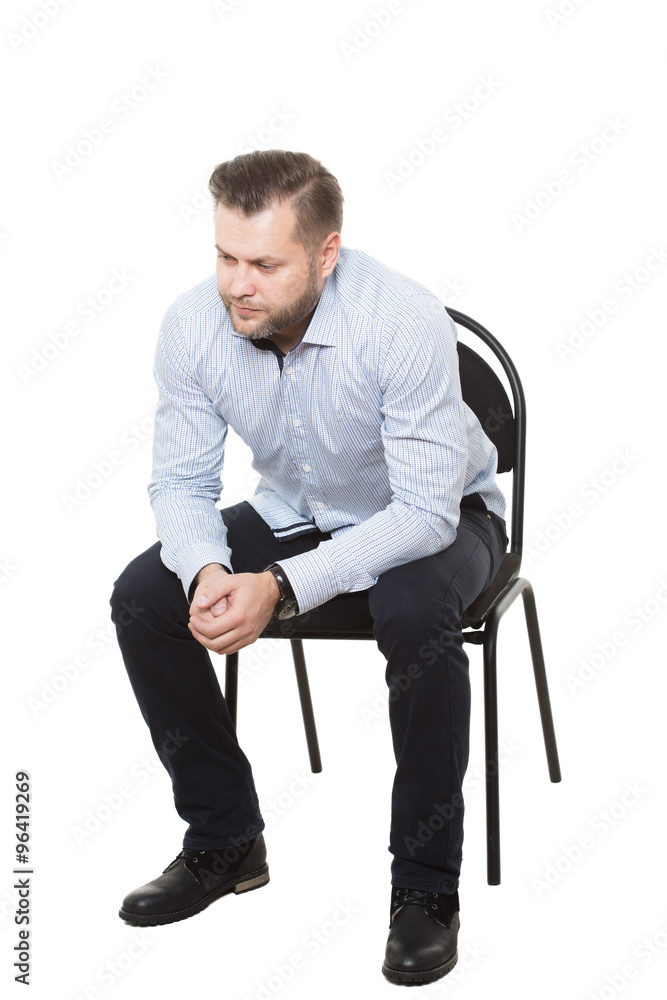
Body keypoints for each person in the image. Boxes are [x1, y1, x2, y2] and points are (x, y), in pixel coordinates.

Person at [109, 149, 508, 986]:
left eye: (263, 264)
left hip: (439, 515)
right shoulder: (192, 325)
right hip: (299, 511)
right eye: (224, 257)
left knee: (412, 609)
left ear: (326, 254)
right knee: (144, 595)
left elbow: (425, 514)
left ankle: (425, 888)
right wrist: (206, 570)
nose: (236, 285)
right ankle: (225, 842)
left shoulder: (398, 319)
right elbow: (181, 484)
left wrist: (283, 588)